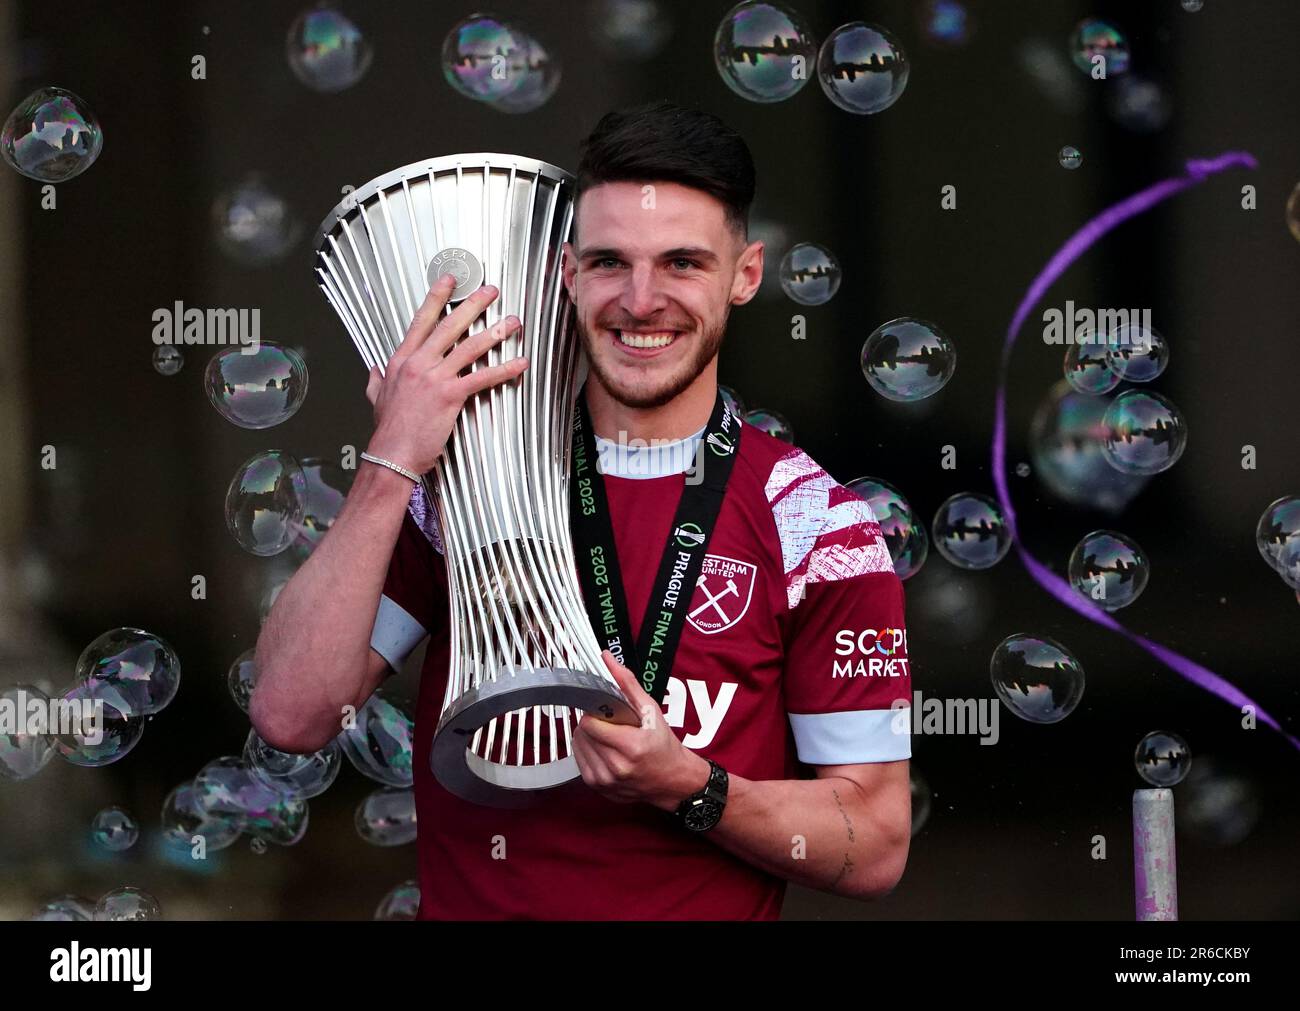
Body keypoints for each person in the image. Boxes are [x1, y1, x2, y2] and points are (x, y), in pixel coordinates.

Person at [252, 99, 912, 920]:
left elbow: (876, 839)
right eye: (609, 262)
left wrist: (687, 785)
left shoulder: (816, 526)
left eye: (681, 263)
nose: (641, 301)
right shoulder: (470, 479)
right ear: (566, 271)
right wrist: (395, 458)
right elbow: (290, 713)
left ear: (745, 274)